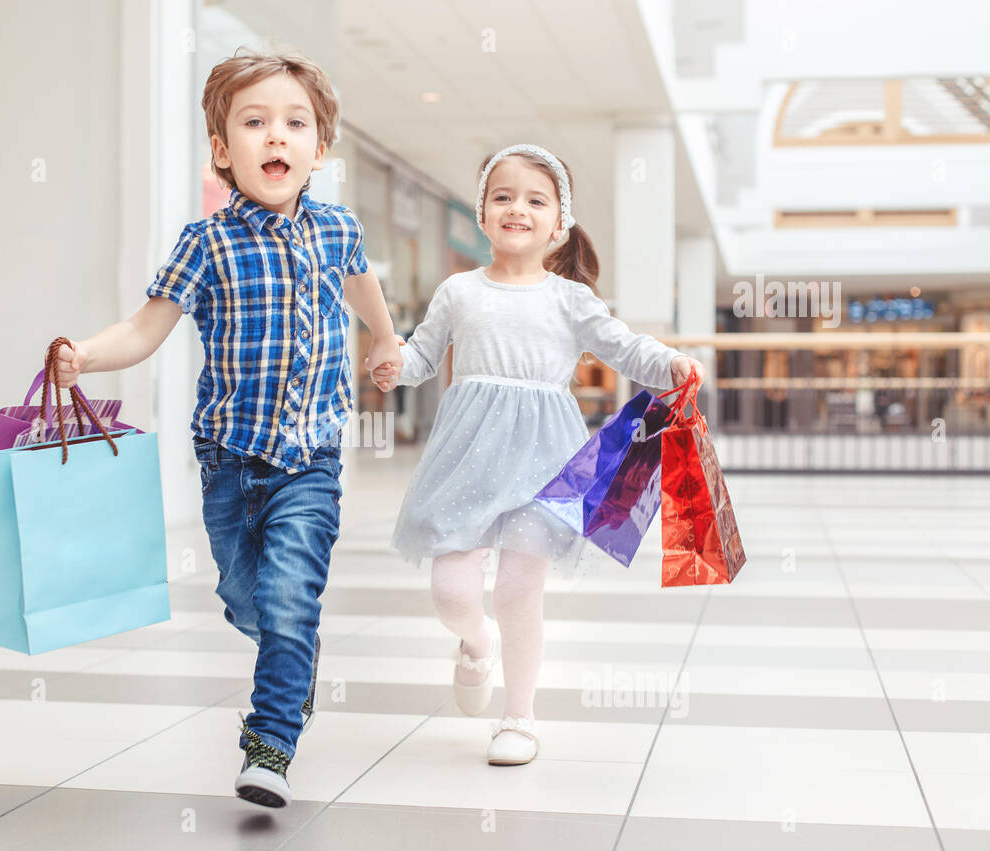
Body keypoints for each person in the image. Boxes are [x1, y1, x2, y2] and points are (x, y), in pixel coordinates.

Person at [55, 50, 403, 807]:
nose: (275, 137)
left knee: (287, 601)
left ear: (319, 148)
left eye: (294, 123)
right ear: (222, 151)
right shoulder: (206, 243)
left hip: (309, 460)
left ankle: (269, 744)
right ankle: (291, 652)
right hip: (228, 463)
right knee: (246, 598)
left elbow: (361, 284)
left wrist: (383, 338)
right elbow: (145, 330)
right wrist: (84, 355)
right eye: (254, 123)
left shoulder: (337, 227)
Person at [371, 144, 704, 766]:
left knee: (519, 592)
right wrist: (393, 367)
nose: (516, 208)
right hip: (466, 455)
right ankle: (474, 646)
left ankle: (519, 717)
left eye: (534, 199)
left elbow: (624, 347)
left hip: (545, 460)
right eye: (502, 196)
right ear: (481, 213)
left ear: (560, 223)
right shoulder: (457, 291)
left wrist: (669, 363)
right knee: (452, 591)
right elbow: (418, 358)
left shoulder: (569, 298)